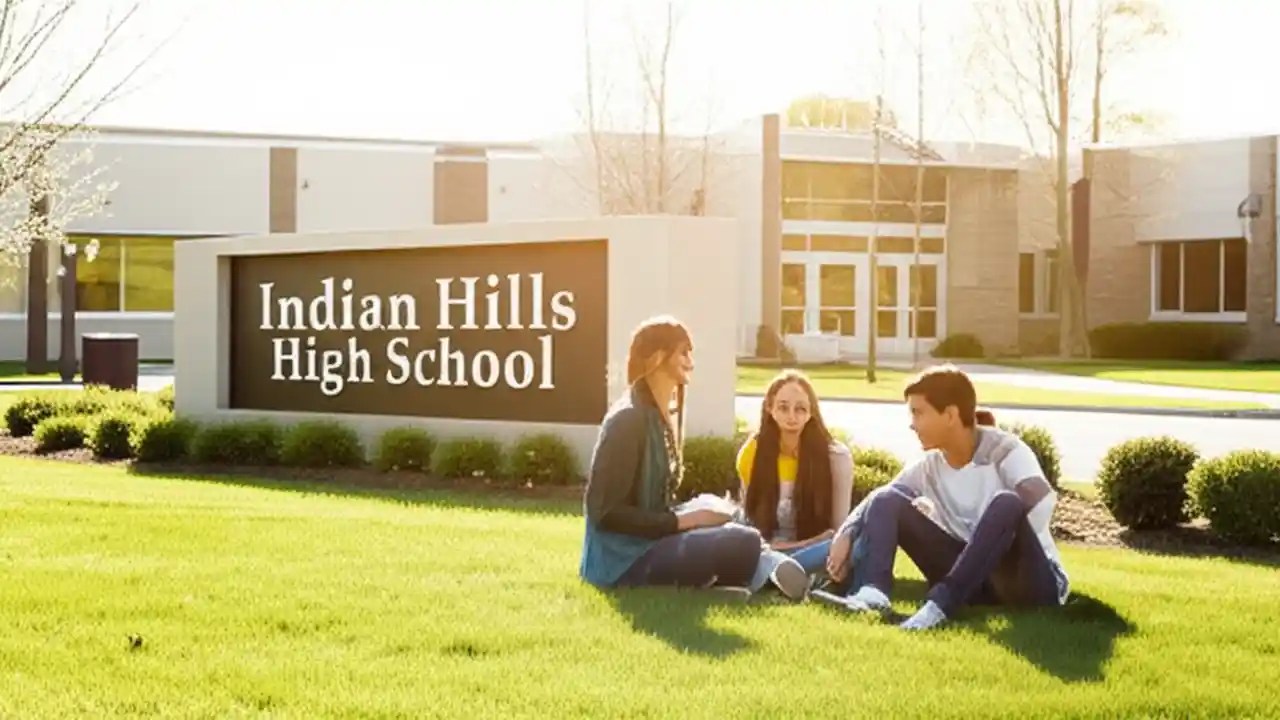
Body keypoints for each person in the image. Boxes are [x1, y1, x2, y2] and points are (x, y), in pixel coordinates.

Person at [821, 364, 1070, 631]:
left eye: (918, 413)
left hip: (1028, 583)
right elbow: (880, 499)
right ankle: (873, 594)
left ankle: (937, 608)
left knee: (1007, 503)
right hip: (973, 581)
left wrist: (986, 540)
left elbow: (1041, 505)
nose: (912, 424)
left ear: (950, 415)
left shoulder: (1006, 451)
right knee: (887, 500)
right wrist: (847, 532)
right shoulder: (929, 465)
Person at [579, 315, 809, 600]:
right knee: (741, 538)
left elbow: (655, 504)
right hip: (623, 561)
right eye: (684, 353)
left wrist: (696, 514)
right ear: (657, 358)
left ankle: (735, 581)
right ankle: (770, 569)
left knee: (724, 511)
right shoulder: (628, 420)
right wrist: (685, 521)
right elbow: (605, 513)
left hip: (651, 540)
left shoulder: (658, 417)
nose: (691, 362)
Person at [735, 370, 853, 576]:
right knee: (737, 543)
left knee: (850, 545)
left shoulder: (836, 456)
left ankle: (780, 573)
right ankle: (783, 572)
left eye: (800, 409)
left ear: (811, 413)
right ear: (769, 408)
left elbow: (838, 533)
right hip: (767, 550)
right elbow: (749, 524)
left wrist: (815, 543)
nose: (791, 416)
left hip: (816, 550)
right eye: (783, 407)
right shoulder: (751, 452)